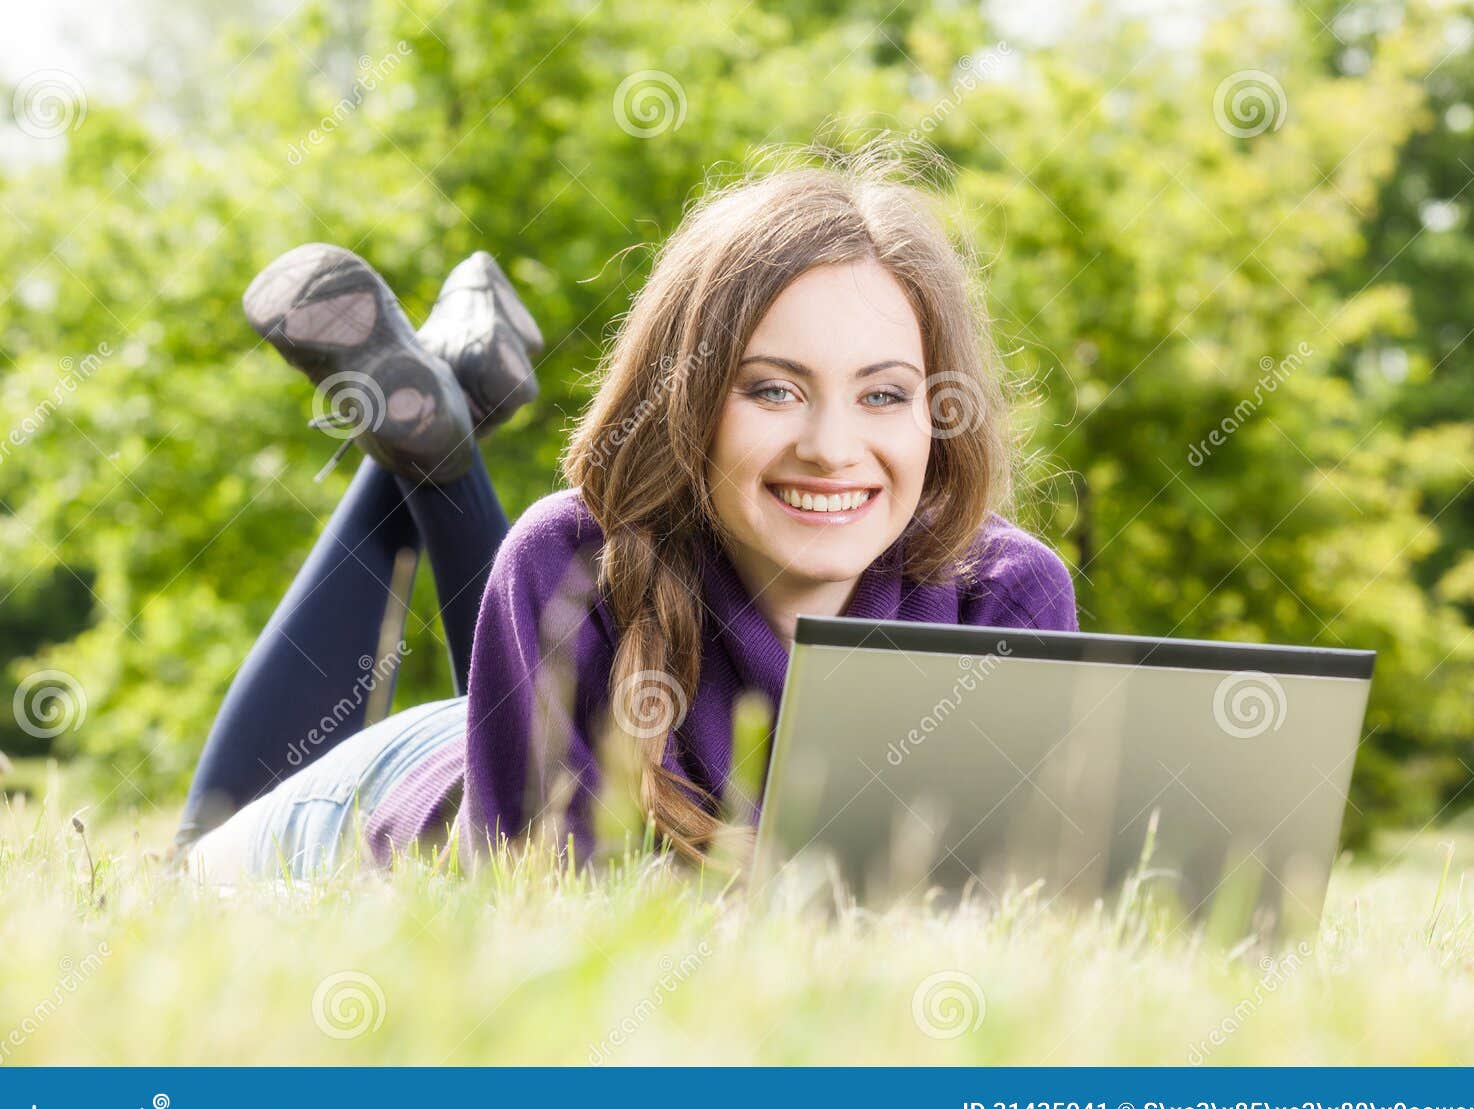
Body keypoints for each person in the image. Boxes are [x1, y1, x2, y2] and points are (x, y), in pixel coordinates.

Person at [176, 150, 1079, 883]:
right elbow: (545, 913)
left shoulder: (1003, 596)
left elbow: (1016, 898)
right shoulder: (562, 556)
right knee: (184, 867)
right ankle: (439, 437)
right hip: (388, 800)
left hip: (505, 714)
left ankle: (443, 434)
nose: (831, 446)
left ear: (940, 414)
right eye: (772, 388)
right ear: (686, 403)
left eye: (885, 393)